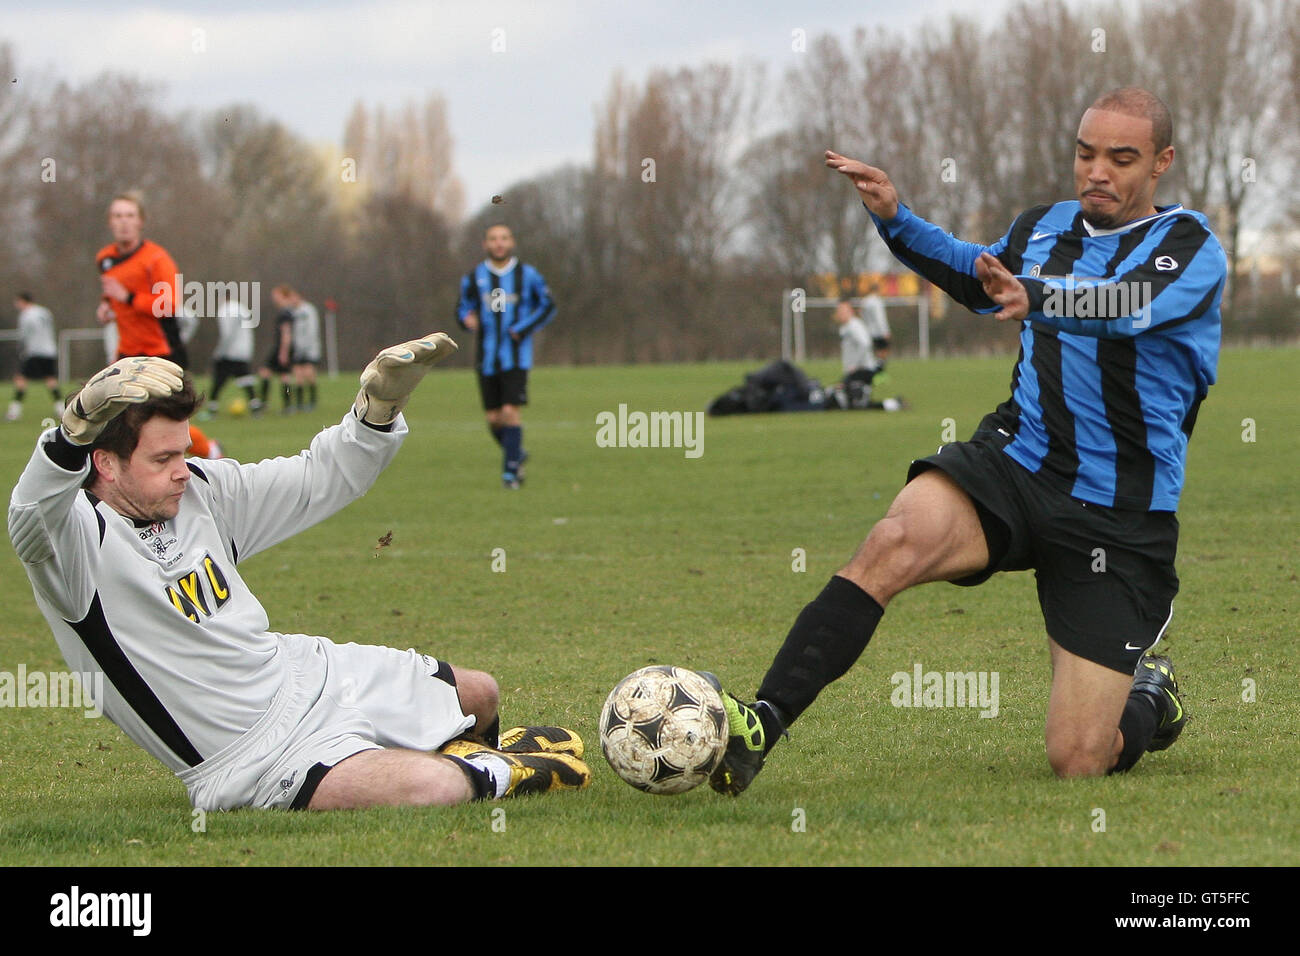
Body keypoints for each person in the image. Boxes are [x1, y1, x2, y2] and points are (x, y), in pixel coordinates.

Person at [706, 87, 1224, 794]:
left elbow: (1127, 305)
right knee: (892, 541)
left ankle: (1149, 699)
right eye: (1085, 153)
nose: (1097, 170)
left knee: (1078, 758)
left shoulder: (1191, 246)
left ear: (1161, 162)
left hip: (1118, 513)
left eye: (1121, 158)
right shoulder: (1044, 226)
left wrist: (1036, 296)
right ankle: (762, 720)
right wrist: (895, 218)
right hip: (1017, 461)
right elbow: (979, 276)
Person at [7, 336, 590, 811]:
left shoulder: (201, 493)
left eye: (184, 451)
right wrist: (71, 432)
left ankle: (465, 752)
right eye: (163, 460)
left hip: (308, 673)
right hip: (252, 758)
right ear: (104, 463)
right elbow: (28, 516)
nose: (183, 470)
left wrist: (378, 410)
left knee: (480, 692)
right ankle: (483, 773)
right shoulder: (74, 547)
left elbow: (319, 480)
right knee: (431, 790)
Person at [455, 224, 556, 489]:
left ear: (512, 242)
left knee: (511, 411)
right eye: (493, 239)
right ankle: (516, 452)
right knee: (493, 419)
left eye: (504, 238)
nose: (499, 243)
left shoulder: (528, 275)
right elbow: (462, 309)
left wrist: (521, 329)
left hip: (516, 356)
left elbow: (548, 306)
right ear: (485, 244)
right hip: (486, 357)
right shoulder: (474, 277)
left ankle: (510, 474)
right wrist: (467, 319)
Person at [94, 192, 188, 369]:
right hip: (126, 353)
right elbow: (112, 292)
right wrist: (106, 305)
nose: (124, 222)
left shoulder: (157, 259)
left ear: (140, 222)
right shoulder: (104, 258)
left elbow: (169, 306)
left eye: (130, 215)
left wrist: (128, 297)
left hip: (162, 352)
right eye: (118, 216)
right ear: (110, 222)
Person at [827, 296, 901, 412]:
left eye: (843, 311)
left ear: (850, 311)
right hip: (856, 371)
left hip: (861, 371)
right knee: (854, 402)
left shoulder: (854, 326)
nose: (840, 314)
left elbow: (865, 344)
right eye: (839, 311)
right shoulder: (845, 327)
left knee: (852, 402)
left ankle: (894, 404)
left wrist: (855, 365)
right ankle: (893, 404)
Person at [7, 292, 63, 422]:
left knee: (21, 379)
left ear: (22, 301)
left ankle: (14, 411)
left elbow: (24, 334)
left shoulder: (26, 315)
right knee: (51, 379)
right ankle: (60, 408)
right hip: (50, 350)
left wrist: (21, 348)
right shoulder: (45, 312)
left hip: (34, 351)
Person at [206, 295, 258, 416]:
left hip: (229, 351)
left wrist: (220, 351)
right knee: (245, 378)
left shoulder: (225, 310)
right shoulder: (241, 308)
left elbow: (227, 333)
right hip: (244, 349)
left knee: (219, 379)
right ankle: (255, 407)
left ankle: (212, 409)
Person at [256, 288, 296, 415]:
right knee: (282, 375)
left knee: (270, 373)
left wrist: (283, 352)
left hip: (281, 348)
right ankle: (285, 406)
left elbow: (286, 333)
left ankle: (266, 403)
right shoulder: (287, 312)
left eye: (276, 296)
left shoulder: (285, 313)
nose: (274, 299)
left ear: (283, 296)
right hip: (283, 347)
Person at [284, 286, 322, 413]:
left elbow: (312, 329)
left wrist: (307, 346)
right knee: (298, 376)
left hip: (309, 349)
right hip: (297, 349)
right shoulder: (292, 312)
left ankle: (312, 400)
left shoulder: (308, 310)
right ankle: (299, 403)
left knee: (309, 374)